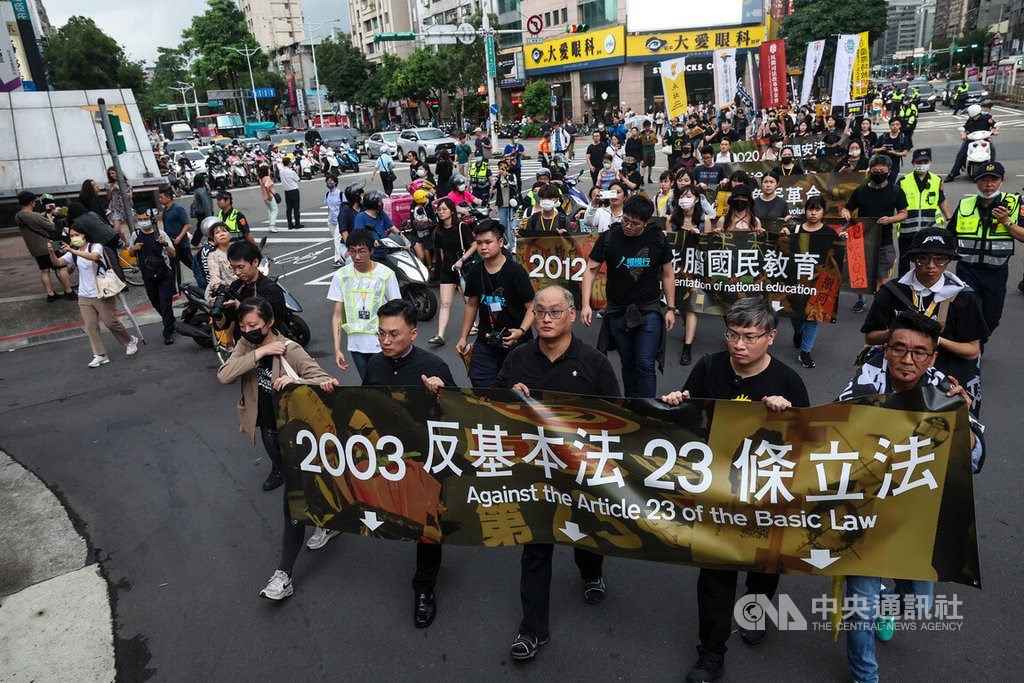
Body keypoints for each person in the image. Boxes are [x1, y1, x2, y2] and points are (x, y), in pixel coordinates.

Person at [659, 297, 808, 683]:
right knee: (715, 574)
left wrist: (789, 414)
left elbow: (808, 445)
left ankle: (755, 611)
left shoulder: (788, 381)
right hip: (717, 493)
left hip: (765, 494)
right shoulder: (708, 368)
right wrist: (677, 403)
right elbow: (689, 422)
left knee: (764, 567)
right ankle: (711, 653)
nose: (739, 345)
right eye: (732, 335)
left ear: (771, 337)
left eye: (749, 337)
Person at [836, 312, 985, 683]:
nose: (908, 359)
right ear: (886, 350)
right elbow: (827, 435)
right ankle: (864, 676)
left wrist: (962, 419)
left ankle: (886, 604)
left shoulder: (947, 391)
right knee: (861, 606)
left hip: (918, 514)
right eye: (899, 348)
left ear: (932, 357)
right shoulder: (863, 385)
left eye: (919, 352)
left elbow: (976, 458)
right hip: (864, 512)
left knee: (918, 602)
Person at [492, 285, 622, 661]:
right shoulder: (518, 358)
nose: (546, 319)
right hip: (535, 470)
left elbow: (618, 417)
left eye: (554, 312)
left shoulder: (594, 362)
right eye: (540, 312)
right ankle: (532, 630)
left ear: (572, 315)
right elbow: (491, 403)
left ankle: (591, 571)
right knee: (536, 547)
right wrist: (509, 398)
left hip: (581, 470)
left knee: (586, 533)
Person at [217, 297, 340, 598]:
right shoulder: (247, 345)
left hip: (297, 437)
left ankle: (283, 575)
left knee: (292, 501)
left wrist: (294, 383)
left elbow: (322, 379)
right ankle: (326, 522)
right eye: (243, 326)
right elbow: (224, 375)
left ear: (270, 322)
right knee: (301, 485)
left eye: (254, 325)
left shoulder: (290, 349)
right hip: (269, 432)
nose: (247, 331)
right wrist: (259, 351)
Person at [362, 298, 456, 628]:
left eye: (394, 334)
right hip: (388, 459)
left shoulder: (434, 366)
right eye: (381, 333)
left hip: (425, 459)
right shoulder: (374, 364)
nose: (385, 341)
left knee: (427, 524)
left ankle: (424, 588)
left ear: (413, 334)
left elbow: (460, 414)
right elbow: (362, 403)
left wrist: (442, 394)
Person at [861, 227, 989, 412]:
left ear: (950, 260)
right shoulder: (891, 291)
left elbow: (972, 351)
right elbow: (870, 336)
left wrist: (934, 339)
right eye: (923, 258)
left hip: (945, 383)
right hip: (898, 379)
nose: (931, 265)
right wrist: (900, 333)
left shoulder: (964, 297)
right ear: (913, 258)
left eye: (940, 259)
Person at [582, 194, 675, 398]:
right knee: (628, 362)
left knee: (645, 363)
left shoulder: (657, 239)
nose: (629, 226)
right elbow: (590, 271)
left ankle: (647, 408)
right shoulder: (609, 238)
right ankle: (632, 405)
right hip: (618, 310)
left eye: (635, 224)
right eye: (626, 220)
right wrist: (586, 304)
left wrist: (670, 308)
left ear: (646, 222)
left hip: (649, 309)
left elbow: (668, 274)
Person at [455, 220, 535, 388]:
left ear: (500, 242)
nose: (483, 247)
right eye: (479, 243)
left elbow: (531, 307)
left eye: (488, 242)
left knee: (515, 388)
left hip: (515, 342)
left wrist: (520, 331)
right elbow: (472, 305)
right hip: (486, 340)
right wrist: (463, 337)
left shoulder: (516, 272)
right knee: (481, 384)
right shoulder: (475, 272)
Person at [47, 223, 138, 366]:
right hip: (84, 295)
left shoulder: (96, 247)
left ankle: (130, 341)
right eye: (72, 235)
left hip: (102, 291)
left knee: (110, 322)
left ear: (84, 235)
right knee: (91, 326)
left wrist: (72, 250)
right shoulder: (73, 252)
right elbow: (58, 263)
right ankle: (100, 354)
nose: (74, 238)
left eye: (77, 235)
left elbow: (94, 257)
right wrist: (52, 252)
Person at [326, 229, 401, 380]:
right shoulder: (341, 276)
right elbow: (337, 315)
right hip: (356, 345)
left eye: (362, 251)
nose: (357, 257)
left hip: (382, 343)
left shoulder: (386, 275)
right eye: (352, 251)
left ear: (371, 251)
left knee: (385, 384)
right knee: (367, 385)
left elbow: (397, 312)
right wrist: (337, 349)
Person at [781, 196, 844, 368]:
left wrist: (842, 241)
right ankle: (798, 332)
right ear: (805, 211)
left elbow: (836, 257)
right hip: (796, 280)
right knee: (796, 313)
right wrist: (785, 235)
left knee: (813, 317)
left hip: (818, 281)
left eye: (817, 209)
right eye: (810, 209)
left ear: (823, 212)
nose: (813, 213)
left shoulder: (830, 233)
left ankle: (805, 352)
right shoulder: (796, 229)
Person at [841, 154, 909, 313]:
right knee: (860, 272)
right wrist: (846, 213)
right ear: (870, 170)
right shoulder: (861, 191)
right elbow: (847, 208)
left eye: (882, 171)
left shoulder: (895, 191)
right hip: (861, 239)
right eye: (876, 171)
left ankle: (880, 301)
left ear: (889, 172)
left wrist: (890, 219)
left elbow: (904, 213)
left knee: (882, 274)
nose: (879, 174)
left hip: (884, 240)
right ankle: (861, 299)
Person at [668, 185, 712, 365]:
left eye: (689, 196)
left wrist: (699, 236)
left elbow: (710, 247)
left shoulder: (704, 220)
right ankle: (688, 327)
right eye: (682, 196)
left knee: (692, 304)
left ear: (696, 199)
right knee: (681, 303)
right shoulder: (672, 220)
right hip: (678, 269)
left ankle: (687, 346)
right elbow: (670, 244)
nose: (685, 199)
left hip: (696, 269)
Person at [894, 148, 950, 276]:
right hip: (907, 230)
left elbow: (941, 200)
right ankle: (903, 285)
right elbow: (893, 201)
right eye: (919, 162)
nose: (922, 165)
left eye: (925, 162)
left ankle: (925, 283)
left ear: (930, 162)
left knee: (927, 261)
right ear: (913, 163)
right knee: (904, 261)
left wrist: (949, 219)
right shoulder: (903, 181)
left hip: (929, 230)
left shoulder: (936, 180)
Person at [430, 198, 478, 347]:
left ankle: (474, 324)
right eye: (439, 209)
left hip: (462, 268)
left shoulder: (461, 227)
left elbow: (474, 245)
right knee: (445, 303)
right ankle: (440, 335)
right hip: (447, 270)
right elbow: (441, 252)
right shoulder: (438, 231)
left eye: (444, 209)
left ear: (452, 211)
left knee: (467, 299)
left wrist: (462, 260)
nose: (441, 212)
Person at [16, 191, 75, 302]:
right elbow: (51, 227)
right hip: (50, 245)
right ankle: (69, 292)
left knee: (44, 270)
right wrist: (49, 219)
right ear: (31, 202)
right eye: (34, 202)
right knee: (61, 267)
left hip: (35, 248)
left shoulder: (18, 216)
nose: (35, 204)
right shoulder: (34, 215)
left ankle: (50, 295)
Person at [129, 209, 177, 345]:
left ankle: (167, 332)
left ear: (151, 219)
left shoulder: (160, 234)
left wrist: (165, 244)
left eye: (145, 219)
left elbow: (173, 254)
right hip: (148, 275)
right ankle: (171, 321)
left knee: (165, 302)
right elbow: (131, 254)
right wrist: (134, 249)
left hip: (164, 274)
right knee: (156, 302)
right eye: (140, 220)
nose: (143, 222)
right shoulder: (135, 235)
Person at [946, 105, 999, 182]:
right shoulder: (970, 120)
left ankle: (992, 170)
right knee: (961, 154)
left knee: (992, 150)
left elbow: (995, 125)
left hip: (985, 139)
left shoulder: (986, 118)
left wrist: (996, 131)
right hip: (971, 140)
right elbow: (964, 128)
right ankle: (953, 173)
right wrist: (963, 135)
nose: (972, 117)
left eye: (970, 113)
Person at [158, 185, 192, 293]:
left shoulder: (178, 209)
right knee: (172, 267)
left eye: (161, 197)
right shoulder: (165, 211)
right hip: (171, 244)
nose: (160, 199)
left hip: (181, 244)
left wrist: (180, 237)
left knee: (190, 263)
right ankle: (174, 290)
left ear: (168, 198)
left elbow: (186, 224)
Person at [203, 222, 235, 302]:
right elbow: (215, 280)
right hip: (224, 292)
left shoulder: (238, 248)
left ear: (230, 235)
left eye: (224, 231)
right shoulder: (213, 255)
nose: (222, 234)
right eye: (217, 233)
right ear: (214, 239)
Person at [876, 118, 910, 184]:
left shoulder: (903, 137)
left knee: (891, 183)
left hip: (894, 166)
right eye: (892, 125)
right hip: (881, 164)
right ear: (889, 126)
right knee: (880, 182)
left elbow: (905, 153)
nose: (894, 126)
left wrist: (895, 153)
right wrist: (881, 149)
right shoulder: (883, 137)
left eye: (897, 124)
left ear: (900, 125)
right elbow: (873, 150)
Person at [494, 161, 520, 244]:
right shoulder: (498, 177)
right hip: (502, 204)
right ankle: (506, 243)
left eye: (504, 167)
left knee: (513, 224)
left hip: (511, 203)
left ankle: (514, 243)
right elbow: (493, 186)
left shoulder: (512, 176)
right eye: (500, 167)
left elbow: (514, 184)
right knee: (503, 225)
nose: (502, 169)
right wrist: (498, 176)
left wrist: (506, 177)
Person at [105, 166, 133, 244]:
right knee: (116, 229)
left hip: (126, 206)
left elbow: (129, 196)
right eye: (110, 174)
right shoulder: (110, 184)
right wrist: (108, 191)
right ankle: (125, 243)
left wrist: (118, 188)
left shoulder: (125, 183)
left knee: (131, 227)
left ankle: (134, 241)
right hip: (115, 208)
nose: (111, 175)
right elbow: (109, 198)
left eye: (113, 173)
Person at [278, 157, 301, 230]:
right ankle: (297, 223)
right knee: (296, 208)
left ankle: (290, 224)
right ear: (289, 163)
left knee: (289, 209)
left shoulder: (281, 171)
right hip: (294, 190)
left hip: (287, 191)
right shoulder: (291, 172)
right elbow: (298, 179)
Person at [258, 165, 279, 233]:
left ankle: (271, 224)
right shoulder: (267, 178)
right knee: (275, 210)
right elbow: (267, 187)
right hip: (270, 196)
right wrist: (269, 195)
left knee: (270, 210)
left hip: (264, 196)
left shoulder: (261, 178)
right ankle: (272, 225)